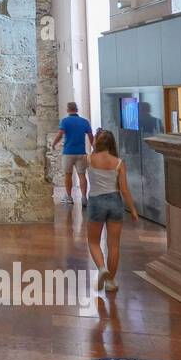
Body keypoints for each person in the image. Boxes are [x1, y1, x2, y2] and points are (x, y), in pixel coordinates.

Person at [85, 129, 139, 292]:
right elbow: (124, 189)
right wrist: (133, 210)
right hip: (115, 201)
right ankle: (111, 281)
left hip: (96, 201)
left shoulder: (88, 159)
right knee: (114, 244)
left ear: (97, 143)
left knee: (93, 241)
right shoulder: (118, 162)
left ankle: (102, 268)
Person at [52, 102, 94, 204]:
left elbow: (60, 134)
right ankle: (84, 198)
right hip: (81, 152)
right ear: (77, 109)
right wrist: (94, 148)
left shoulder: (65, 121)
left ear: (67, 110)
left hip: (68, 152)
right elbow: (90, 136)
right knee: (82, 175)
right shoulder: (84, 122)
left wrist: (54, 144)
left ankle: (69, 197)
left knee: (68, 175)